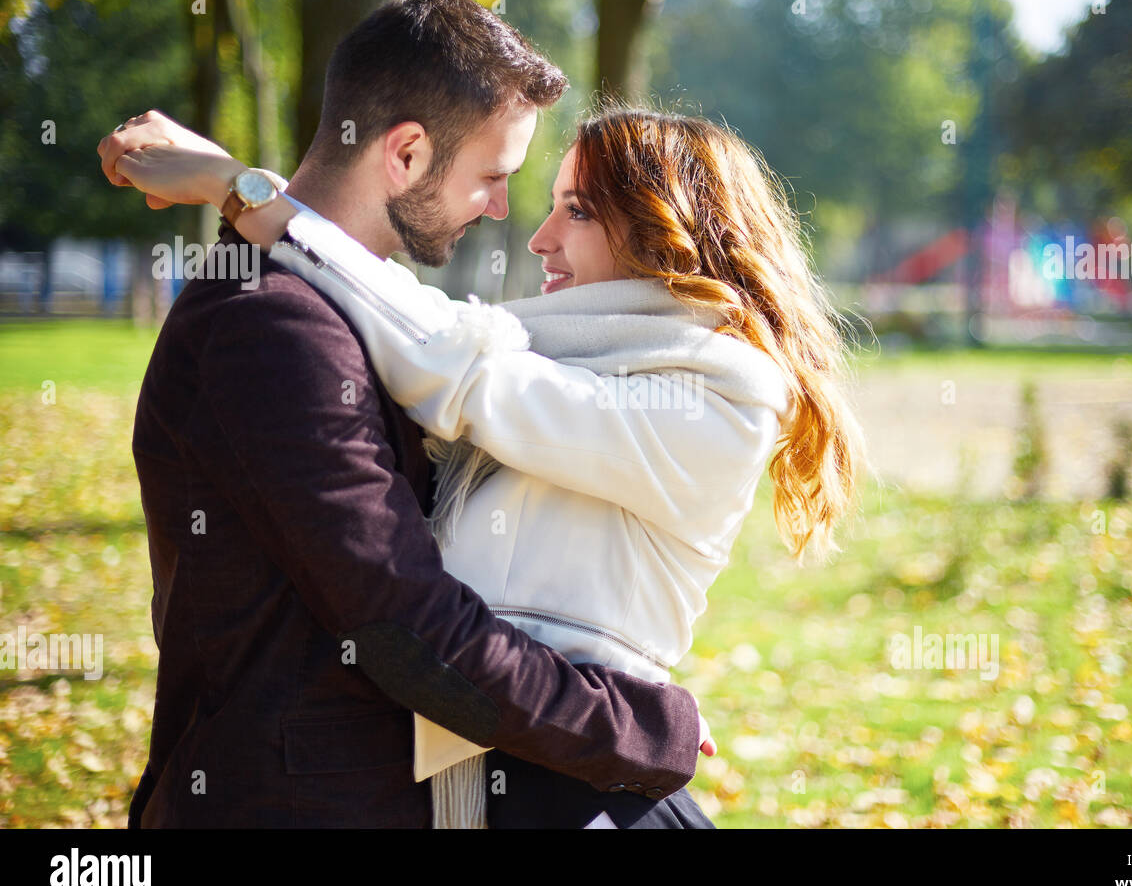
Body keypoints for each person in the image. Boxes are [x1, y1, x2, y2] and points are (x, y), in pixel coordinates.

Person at [105, 101, 869, 828]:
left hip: (565, 791)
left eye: (577, 209)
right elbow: (426, 334)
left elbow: (450, 359)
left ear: (666, 231)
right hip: (495, 773)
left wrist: (236, 188)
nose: (538, 238)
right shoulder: (571, 359)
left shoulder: (719, 401)